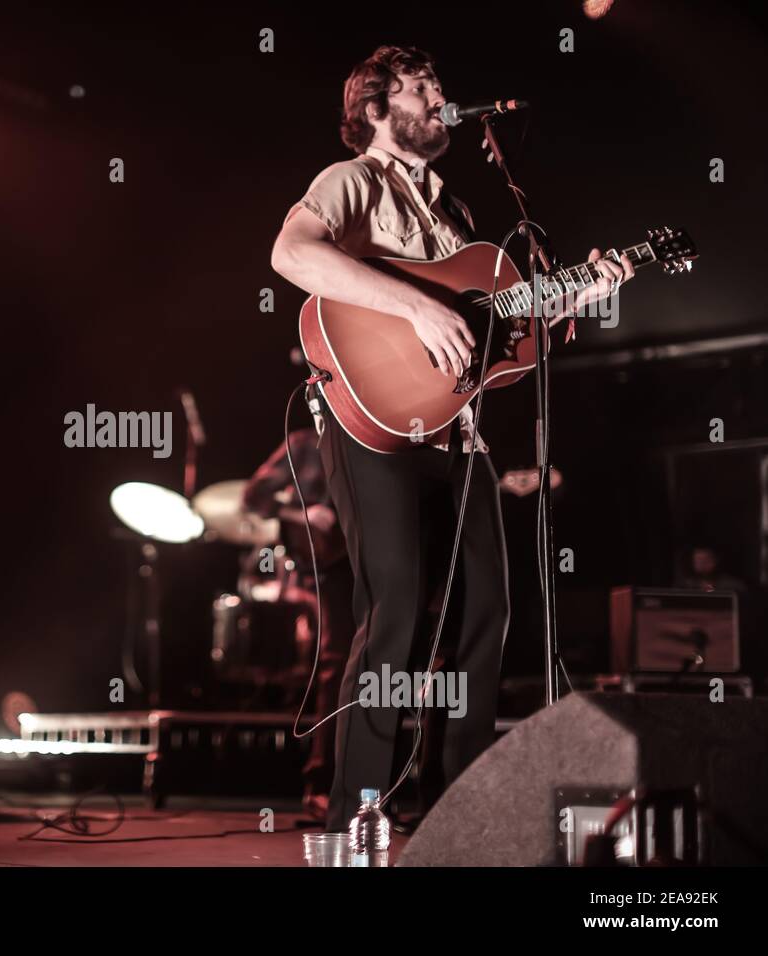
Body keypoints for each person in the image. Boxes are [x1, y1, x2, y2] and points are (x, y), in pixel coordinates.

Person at [269, 45, 633, 832]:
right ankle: (354, 808)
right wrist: (416, 308)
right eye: (423, 87)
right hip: (370, 419)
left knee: (487, 615)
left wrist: (580, 291)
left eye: (440, 86)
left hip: (457, 430)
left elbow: (503, 344)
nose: (441, 97)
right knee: (393, 607)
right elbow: (292, 254)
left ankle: (457, 809)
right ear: (376, 109)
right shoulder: (350, 181)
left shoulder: (461, 214)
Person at [241, 428, 354, 821]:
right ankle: (321, 784)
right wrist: (301, 513)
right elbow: (253, 497)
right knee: (335, 664)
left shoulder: (382, 430)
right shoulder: (304, 443)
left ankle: (370, 787)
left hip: (369, 560)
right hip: (329, 566)